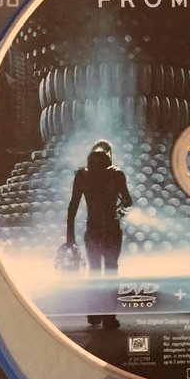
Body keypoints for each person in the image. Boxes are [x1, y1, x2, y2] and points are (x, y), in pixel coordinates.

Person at [66, 140, 133, 329]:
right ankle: (109, 317)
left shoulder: (82, 175)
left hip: (93, 229)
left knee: (94, 270)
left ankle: (94, 314)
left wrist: (69, 235)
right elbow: (128, 202)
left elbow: (73, 205)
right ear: (109, 155)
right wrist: (120, 211)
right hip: (112, 228)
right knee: (111, 270)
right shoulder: (117, 174)